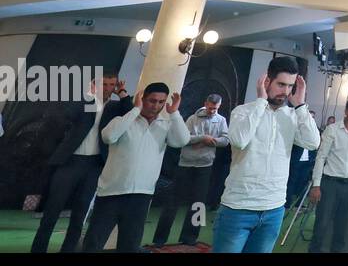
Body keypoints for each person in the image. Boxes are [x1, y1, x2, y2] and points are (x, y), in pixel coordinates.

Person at [214, 57, 320, 253]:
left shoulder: (293, 115)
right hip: (238, 207)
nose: (285, 91)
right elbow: (239, 140)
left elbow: (313, 142)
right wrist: (261, 101)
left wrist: (301, 105)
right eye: (281, 84)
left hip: (274, 208)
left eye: (290, 86)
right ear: (267, 81)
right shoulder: (243, 111)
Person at [32, 70, 133, 254]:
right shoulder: (86, 102)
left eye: (112, 85)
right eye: (105, 84)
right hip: (70, 162)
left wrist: (123, 93)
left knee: (80, 213)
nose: (108, 88)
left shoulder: (114, 107)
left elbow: (130, 113)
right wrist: (90, 95)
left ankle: (68, 250)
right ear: (96, 84)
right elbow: (68, 115)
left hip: (94, 165)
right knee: (52, 210)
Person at [82, 83, 188, 252]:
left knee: (130, 246)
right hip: (111, 193)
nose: (156, 106)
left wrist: (174, 113)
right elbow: (108, 136)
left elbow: (182, 140)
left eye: (161, 102)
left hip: (141, 196)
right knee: (93, 244)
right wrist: (135, 110)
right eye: (152, 101)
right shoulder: (122, 121)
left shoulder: (165, 126)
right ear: (142, 99)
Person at [150, 93, 229, 247]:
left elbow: (225, 140)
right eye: (211, 108)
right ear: (205, 103)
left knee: (198, 204)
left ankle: (190, 238)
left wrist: (211, 142)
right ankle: (159, 240)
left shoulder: (221, 121)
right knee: (172, 203)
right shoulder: (192, 119)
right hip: (185, 165)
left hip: (205, 167)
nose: (213, 111)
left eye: (216, 109)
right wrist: (201, 138)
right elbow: (183, 138)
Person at [308, 96, 348, 253]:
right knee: (321, 224)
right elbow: (321, 157)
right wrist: (316, 185)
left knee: (342, 227)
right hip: (330, 183)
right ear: (347, 111)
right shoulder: (332, 129)